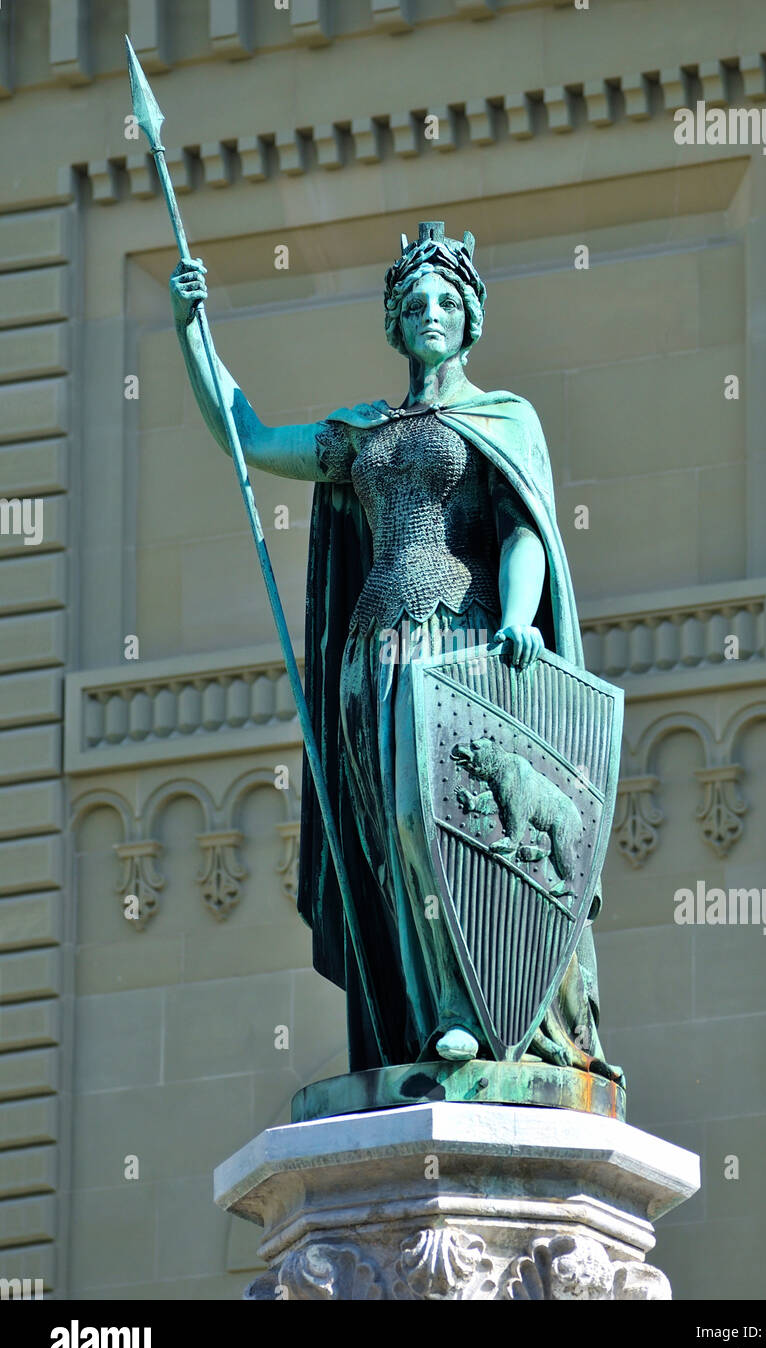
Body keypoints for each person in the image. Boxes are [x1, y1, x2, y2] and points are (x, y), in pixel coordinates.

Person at [169, 221, 618, 1081]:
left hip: (464, 647)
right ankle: (419, 1010)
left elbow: (525, 530)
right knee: (391, 840)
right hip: (373, 662)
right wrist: (195, 331)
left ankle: (466, 1004)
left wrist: (520, 620)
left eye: (448, 301)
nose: (432, 313)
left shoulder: (502, 419)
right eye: (415, 304)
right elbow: (251, 438)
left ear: (471, 317)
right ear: (395, 325)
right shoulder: (364, 432)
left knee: (439, 820)